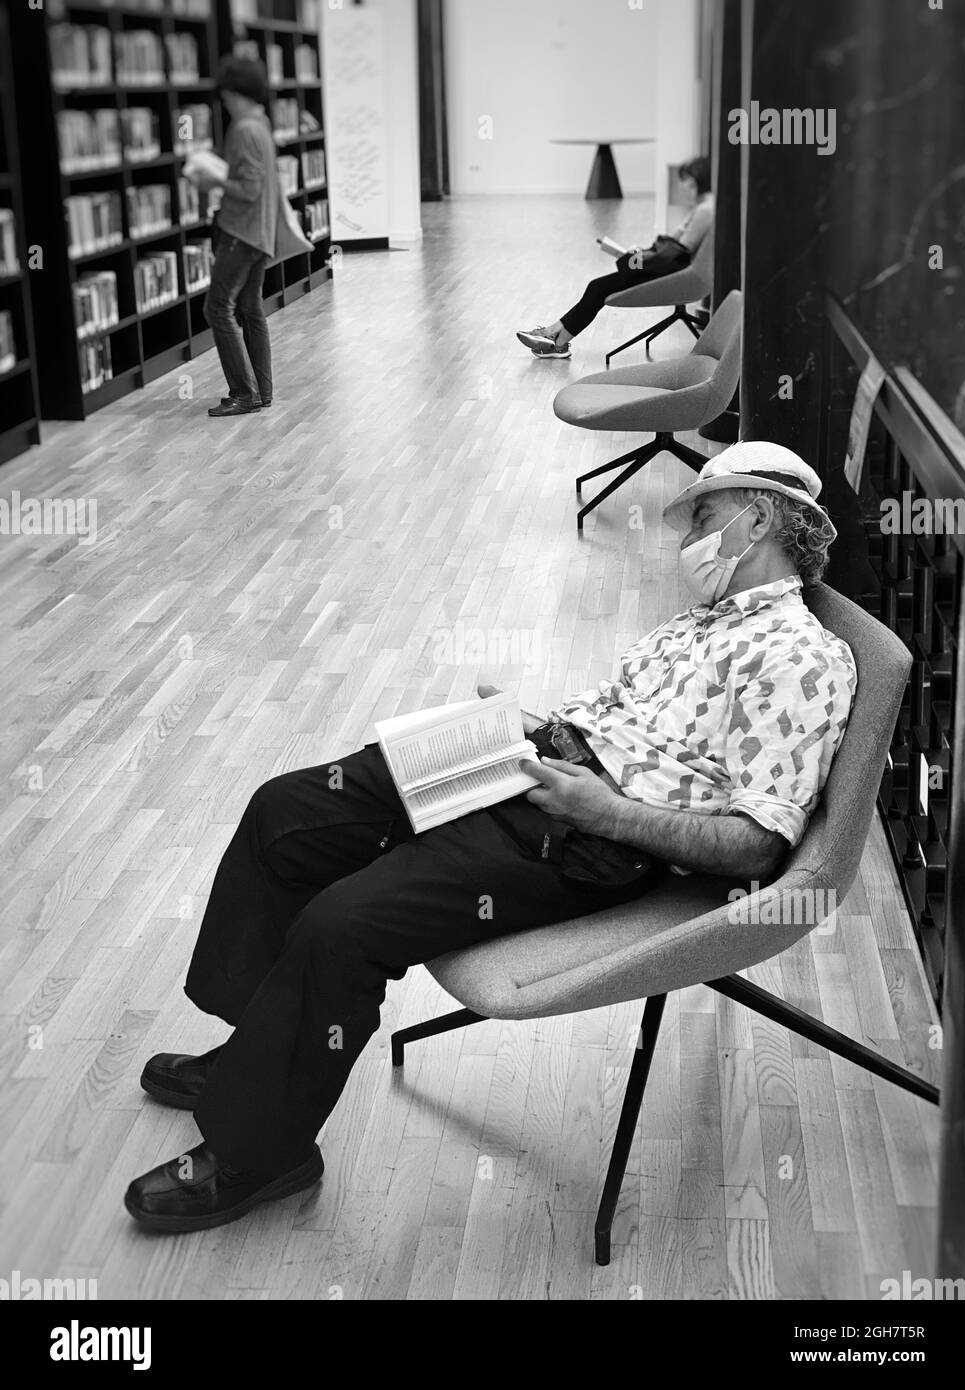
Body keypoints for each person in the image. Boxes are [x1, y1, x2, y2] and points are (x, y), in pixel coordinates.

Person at [124, 441, 856, 1233]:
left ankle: (265, 1152)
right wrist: (535, 726)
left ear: (755, 520)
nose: (686, 541)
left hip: (591, 831)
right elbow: (618, 715)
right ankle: (256, 1055)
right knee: (286, 814)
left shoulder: (801, 658)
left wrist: (604, 811)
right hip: (533, 765)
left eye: (702, 518)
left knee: (343, 924)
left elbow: (757, 848)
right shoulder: (694, 624)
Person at [516, 156, 715, 359]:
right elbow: (674, 244)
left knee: (597, 287)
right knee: (604, 281)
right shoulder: (705, 207)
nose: (684, 188)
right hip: (671, 268)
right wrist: (641, 254)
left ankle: (555, 339)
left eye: (688, 183)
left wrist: (642, 256)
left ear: (697, 181)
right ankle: (555, 338)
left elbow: (680, 249)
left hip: (671, 272)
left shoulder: (705, 210)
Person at [200, 56, 278, 417]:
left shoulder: (244, 128)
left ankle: (244, 393)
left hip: (241, 231)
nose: (225, 103)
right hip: (260, 232)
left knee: (218, 307)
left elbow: (248, 188)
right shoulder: (261, 124)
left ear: (237, 93)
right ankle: (261, 392)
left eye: (228, 96)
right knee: (250, 308)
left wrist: (214, 179)